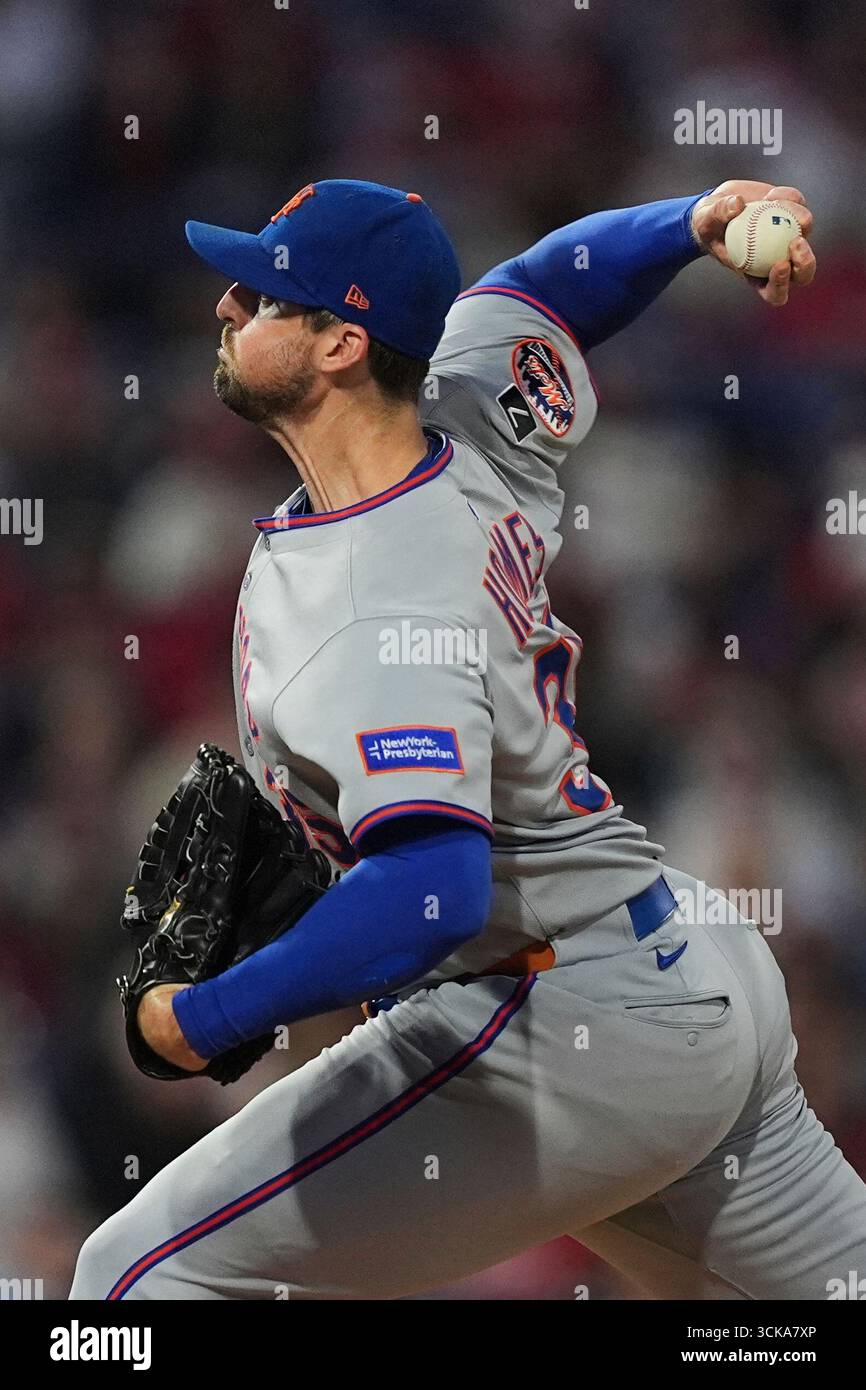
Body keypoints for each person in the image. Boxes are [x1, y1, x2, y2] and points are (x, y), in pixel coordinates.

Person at [72, 177, 864, 1301]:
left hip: (559, 1008)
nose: (223, 307)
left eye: (260, 293)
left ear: (342, 342)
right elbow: (553, 281)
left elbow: (432, 891)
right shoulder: (459, 397)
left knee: (135, 1279)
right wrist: (694, 220)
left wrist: (201, 1021)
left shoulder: (379, 603)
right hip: (680, 963)